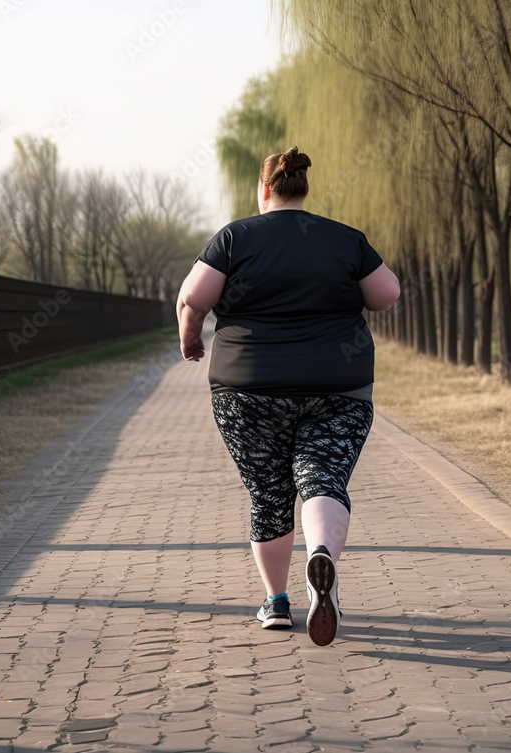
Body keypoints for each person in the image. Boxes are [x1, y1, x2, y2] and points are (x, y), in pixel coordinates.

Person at [176, 146, 400, 646]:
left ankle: (276, 603)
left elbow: (193, 297)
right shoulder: (344, 239)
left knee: (269, 493)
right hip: (337, 387)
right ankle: (321, 553)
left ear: (265, 190)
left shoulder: (235, 238)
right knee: (323, 478)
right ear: (304, 188)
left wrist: (191, 338)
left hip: (247, 390)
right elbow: (386, 295)